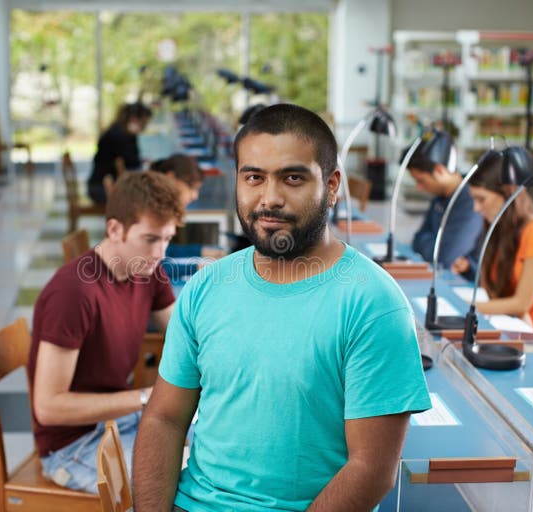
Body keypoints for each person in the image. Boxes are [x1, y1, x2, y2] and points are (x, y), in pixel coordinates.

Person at [133, 103, 431, 511]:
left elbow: (372, 469)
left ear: (330, 186)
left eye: (292, 178)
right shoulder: (208, 287)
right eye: (253, 177)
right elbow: (164, 419)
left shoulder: (374, 304)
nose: (269, 198)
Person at [28, 171, 184, 493]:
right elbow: (47, 407)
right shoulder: (74, 292)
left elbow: (183, 334)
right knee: (165, 488)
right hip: (71, 447)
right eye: (151, 239)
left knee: (218, 451)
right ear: (115, 229)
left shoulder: (146, 269)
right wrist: (144, 398)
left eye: (167, 239)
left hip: (119, 422)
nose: (161, 253)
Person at [450, 159, 533, 350]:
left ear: (508, 195)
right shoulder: (498, 231)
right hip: (509, 325)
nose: (476, 209)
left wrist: (466, 305)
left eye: (481, 199)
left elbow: (521, 303)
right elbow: (491, 291)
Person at [405, 129, 484, 269]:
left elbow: (445, 258)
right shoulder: (440, 197)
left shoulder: (471, 200)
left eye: (421, 181)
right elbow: (417, 239)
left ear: (440, 170)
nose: (419, 187)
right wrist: (431, 244)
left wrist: (429, 243)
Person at [87, 102, 152, 204]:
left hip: (107, 185)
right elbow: (121, 171)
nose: (144, 127)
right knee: (143, 200)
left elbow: (131, 161)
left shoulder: (128, 135)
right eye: (143, 123)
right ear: (134, 118)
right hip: (101, 188)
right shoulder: (117, 136)